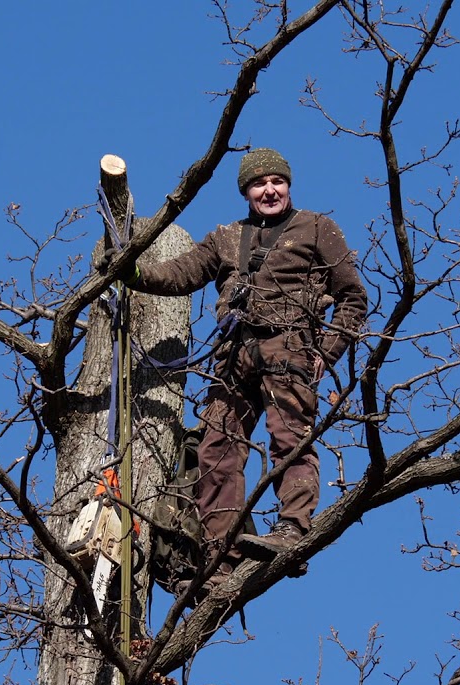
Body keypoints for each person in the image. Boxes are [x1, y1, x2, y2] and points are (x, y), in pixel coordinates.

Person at [113, 148, 367, 590]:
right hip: (233, 358)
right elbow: (182, 273)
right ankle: (218, 562)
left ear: (288, 185)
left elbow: (353, 298)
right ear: (246, 192)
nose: (269, 190)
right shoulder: (228, 237)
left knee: (289, 438)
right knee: (215, 453)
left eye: (277, 181)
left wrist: (326, 352)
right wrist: (132, 273)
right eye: (258, 184)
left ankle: (292, 528)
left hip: (289, 347)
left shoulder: (316, 227)